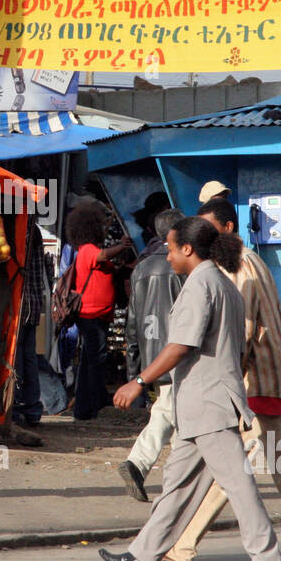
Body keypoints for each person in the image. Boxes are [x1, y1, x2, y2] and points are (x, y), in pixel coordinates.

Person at [156, 198, 281, 561]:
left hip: (251, 384)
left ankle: (181, 548)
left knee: (230, 471)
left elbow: (236, 333)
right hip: (268, 379)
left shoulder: (234, 267)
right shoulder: (251, 260)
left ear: (227, 228)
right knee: (273, 469)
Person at [99, 217, 281, 561]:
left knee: (238, 484)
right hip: (200, 403)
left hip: (208, 402)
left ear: (187, 249)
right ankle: (142, 556)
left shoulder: (201, 284)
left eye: (169, 248)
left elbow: (181, 345)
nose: (166, 256)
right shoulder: (221, 283)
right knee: (178, 485)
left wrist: (139, 381)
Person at [118, 207, 184, 501]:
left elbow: (132, 324)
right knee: (176, 417)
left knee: (168, 413)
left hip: (152, 357)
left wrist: (135, 371)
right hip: (178, 354)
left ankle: (145, 467)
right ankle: (146, 467)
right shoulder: (183, 267)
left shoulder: (141, 268)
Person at [65, 203, 133, 420]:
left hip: (99, 315)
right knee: (95, 360)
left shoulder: (88, 251)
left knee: (89, 361)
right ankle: (96, 403)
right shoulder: (87, 251)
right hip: (91, 315)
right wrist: (121, 246)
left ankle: (84, 408)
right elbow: (102, 256)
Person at [12, 214, 49, 428]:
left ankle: (16, 407)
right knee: (29, 357)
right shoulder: (34, 231)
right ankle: (32, 409)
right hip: (32, 303)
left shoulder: (24, 232)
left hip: (23, 302)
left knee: (17, 358)